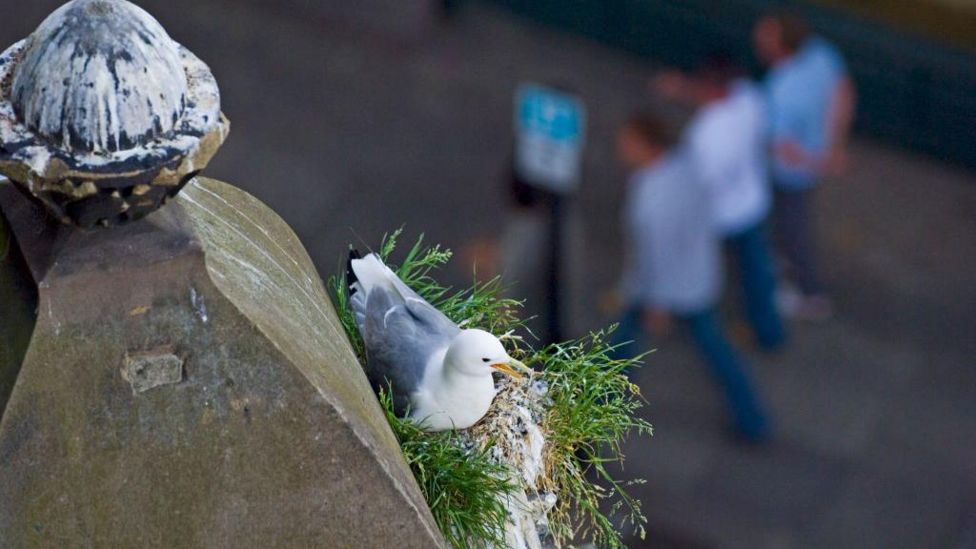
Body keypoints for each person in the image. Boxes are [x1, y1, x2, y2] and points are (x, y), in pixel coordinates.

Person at [611, 111, 771, 442]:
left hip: (659, 291)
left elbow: (656, 255)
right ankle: (752, 419)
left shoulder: (650, 195)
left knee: (618, 355)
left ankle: (591, 418)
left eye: (628, 142)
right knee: (716, 350)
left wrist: (657, 303)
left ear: (646, 146)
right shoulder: (686, 167)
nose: (621, 148)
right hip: (699, 280)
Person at [653, 55, 785, 350]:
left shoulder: (705, 135)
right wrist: (683, 88)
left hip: (717, 216)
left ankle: (685, 314)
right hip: (752, 204)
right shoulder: (750, 99)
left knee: (694, 269)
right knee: (757, 275)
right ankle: (769, 333)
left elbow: (693, 185)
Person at [753, 12, 856, 320]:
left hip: (789, 175)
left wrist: (822, 160)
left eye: (764, 37)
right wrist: (834, 149)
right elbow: (844, 92)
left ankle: (810, 294)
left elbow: (784, 148)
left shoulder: (779, 90)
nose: (757, 41)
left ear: (780, 46)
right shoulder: (821, 52)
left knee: (792, 229)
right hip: (809, 167)